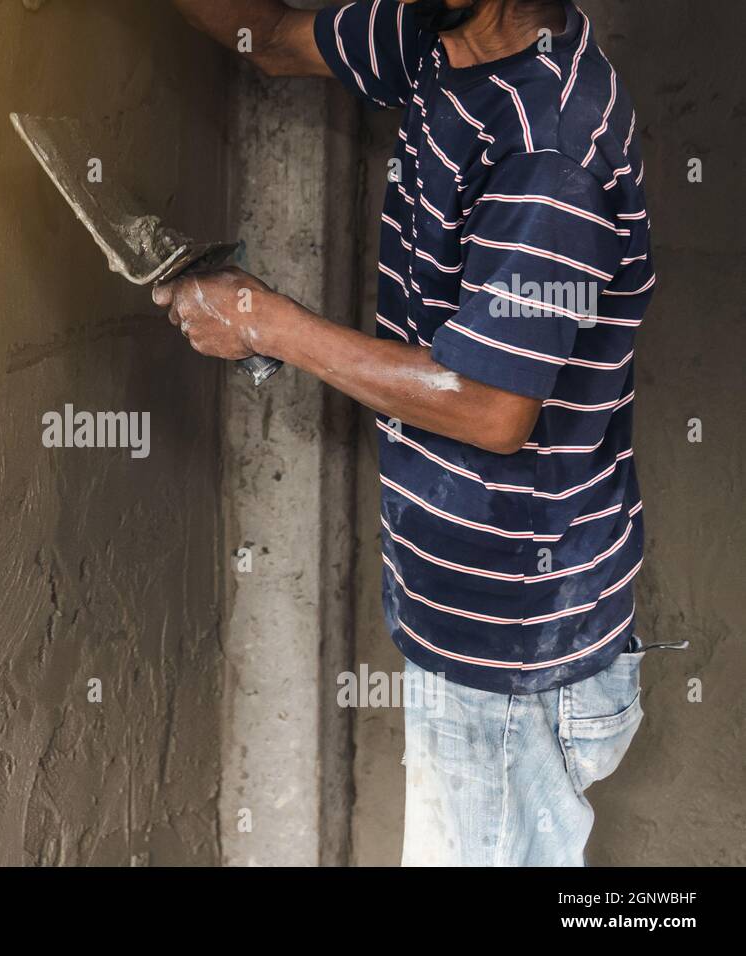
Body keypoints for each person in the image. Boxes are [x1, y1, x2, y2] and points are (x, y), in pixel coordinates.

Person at [162, 0, 669, 865]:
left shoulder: (549, 148)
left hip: (516, 642)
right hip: (467, 616)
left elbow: (493, 409)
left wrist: (264, 322)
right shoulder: (439, 36)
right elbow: (276, 43)